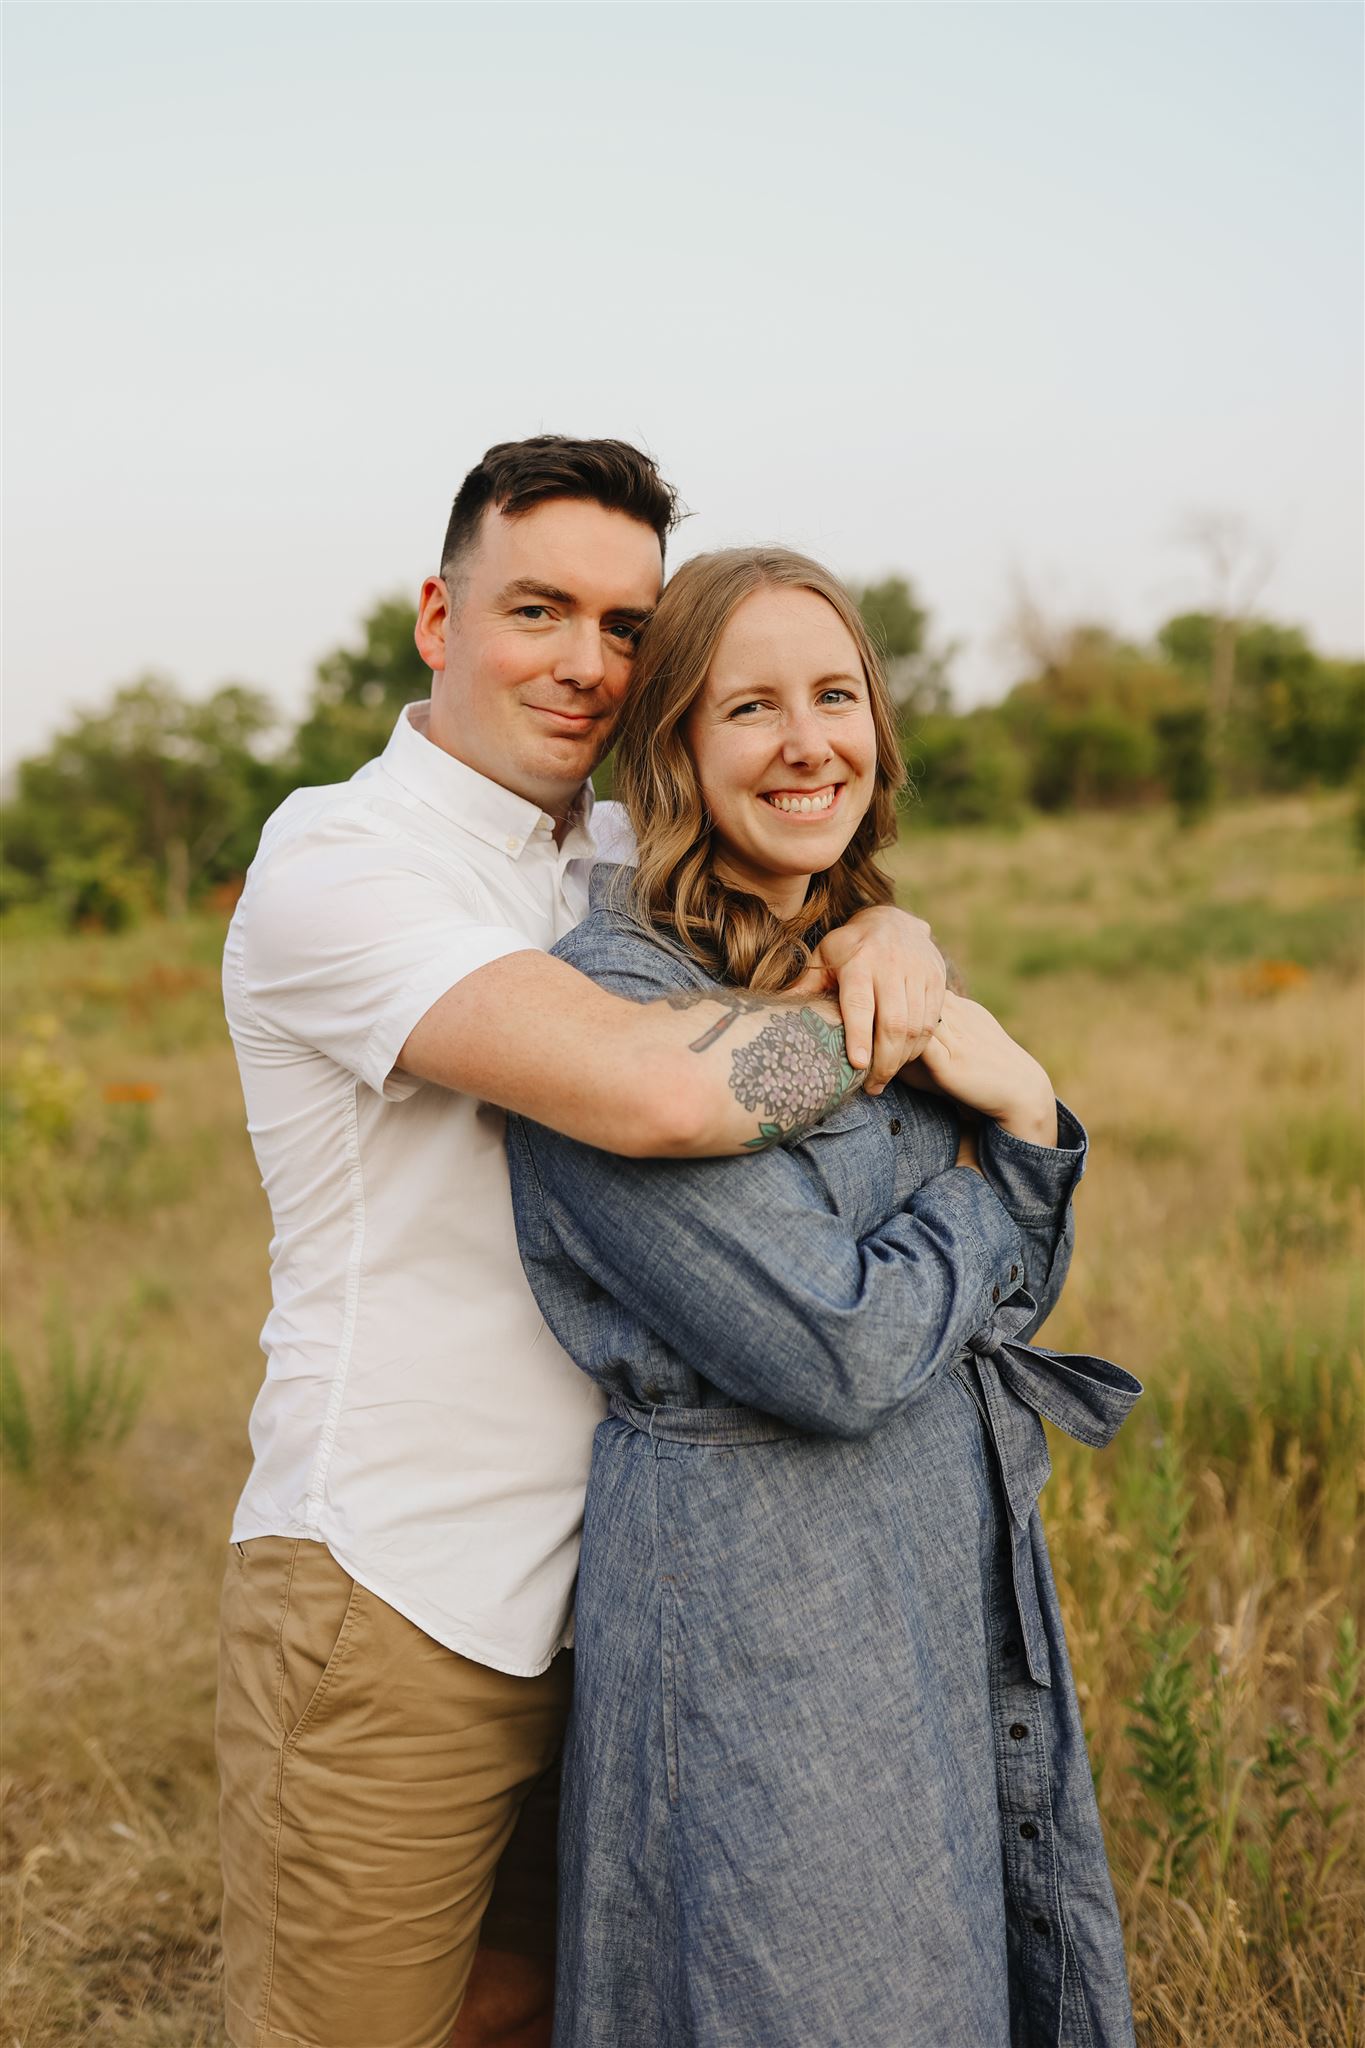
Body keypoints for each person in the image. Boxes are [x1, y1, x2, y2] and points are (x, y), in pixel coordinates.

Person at [215, 439, 952, 2048]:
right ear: (436, 613)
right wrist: (905, 1024)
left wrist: (887, 931)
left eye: (627, 627)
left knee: (567, 2012)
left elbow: (815, 890)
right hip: (406, 1594)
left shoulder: (614, 861)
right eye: (536, 608)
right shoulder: (340, 864)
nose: (584, 663)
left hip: (638, 1591)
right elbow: (652, 1095)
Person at [506, 546, 1143, 2046]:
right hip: (764, 1629)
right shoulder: (611, 1013)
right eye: (749, 708)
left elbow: (1008, 1299)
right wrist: (1024, 1131)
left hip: (936, 1579)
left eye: (835, 695)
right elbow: (838, 1348)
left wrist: (1006, 1126)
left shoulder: (857, 965)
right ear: (671, 745)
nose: (808, 743)